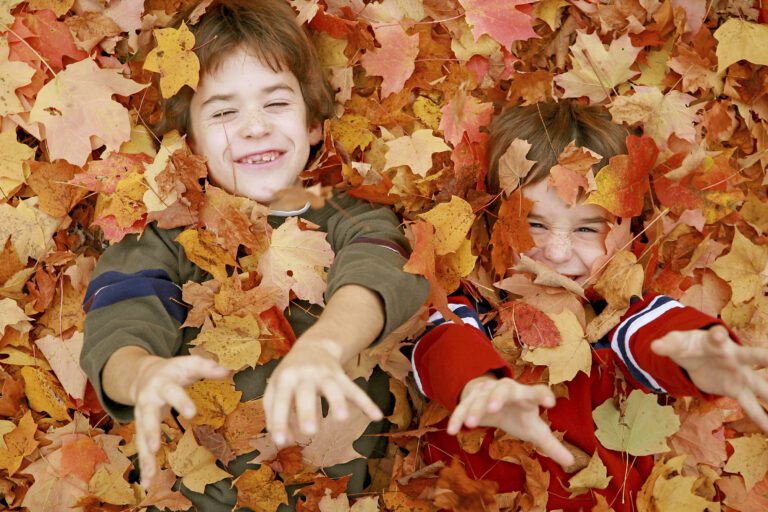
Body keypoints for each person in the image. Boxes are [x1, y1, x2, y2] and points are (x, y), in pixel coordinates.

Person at [80, 0, 428, 508]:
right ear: (192, 142)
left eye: (276, 103)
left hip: (352, 498)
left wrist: (326, 343)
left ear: (313, 124)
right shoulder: (164, 239)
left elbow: (380, 266)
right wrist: (141, 373)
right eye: (223, 111)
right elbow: (122, 320)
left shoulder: (346, 212)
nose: (255, 126)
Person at [411, 101, 768, 510]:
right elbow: (442, 343)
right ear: (495, 222)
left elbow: (659, 335)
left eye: (585, 228)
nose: (558, 254)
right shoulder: (469, 307)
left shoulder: (620, 322)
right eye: (535, 225)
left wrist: (699, 352)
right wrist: (477, 383)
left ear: (628, 233)